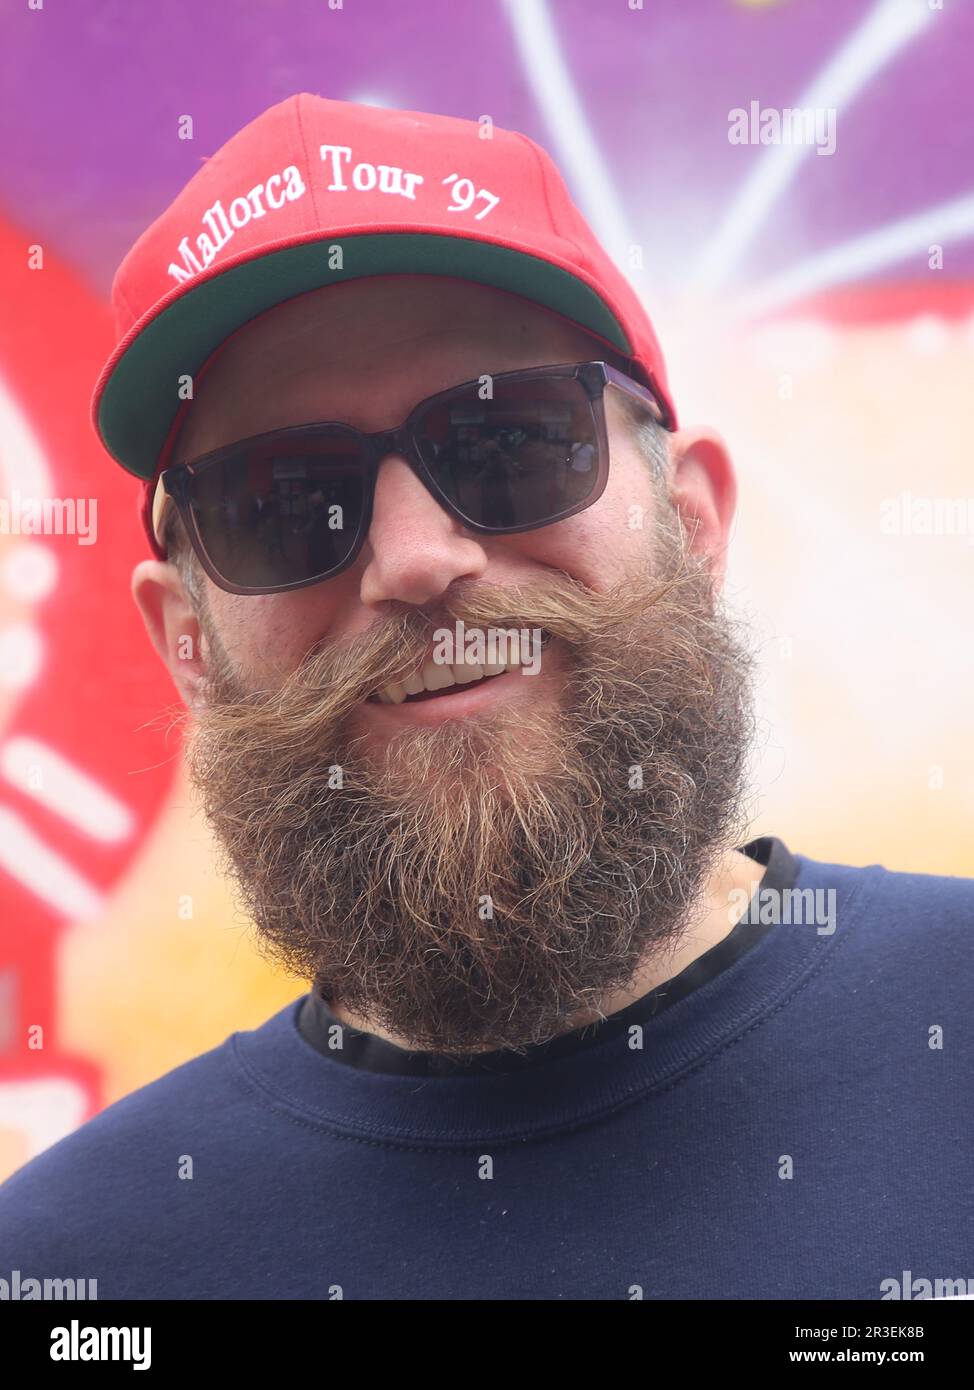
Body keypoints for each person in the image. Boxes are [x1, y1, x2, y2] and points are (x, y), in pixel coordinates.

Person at [1, 94, 971, 1301]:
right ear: (187, 642)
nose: (414, 558)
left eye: (506, 440)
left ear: (691, 524)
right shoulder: (70, 1274)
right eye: (284, 500)